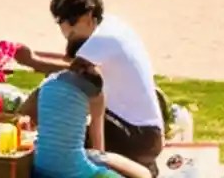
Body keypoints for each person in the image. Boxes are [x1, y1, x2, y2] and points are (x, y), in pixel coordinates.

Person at [14, 0, 165, 177]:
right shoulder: (111, 26)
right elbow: (70, 64)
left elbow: (74, 69)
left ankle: (14, 126)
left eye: (69, 22)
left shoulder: (104, 39)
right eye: (60, 21)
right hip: (144, 133)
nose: (65, 28)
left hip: (137, 135)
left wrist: (31, 61)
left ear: (88, 15)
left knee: (61, 138)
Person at [33, 38, 154, 178]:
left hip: (41, 167)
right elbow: (99, 148)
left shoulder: (48, 84)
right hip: (73, 171)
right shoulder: (93, 89)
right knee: (144, 174)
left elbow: (30, 116)